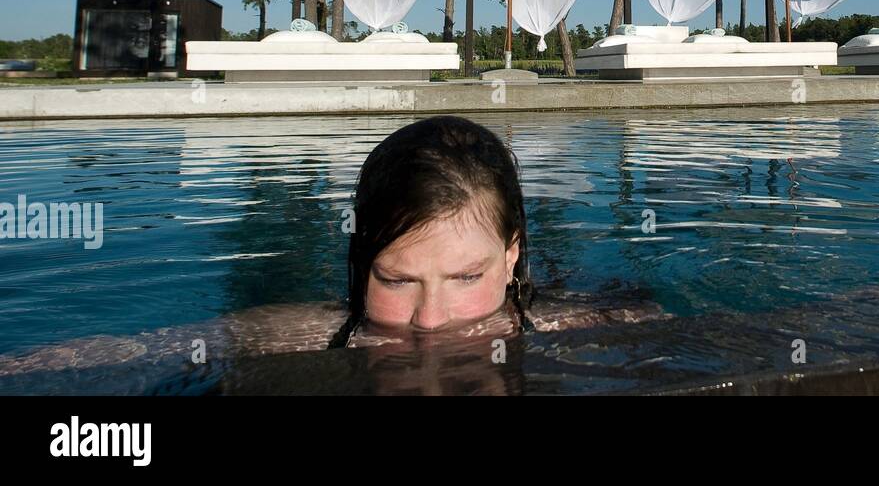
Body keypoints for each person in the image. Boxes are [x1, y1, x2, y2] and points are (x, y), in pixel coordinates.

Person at [0, 116, 662, 382]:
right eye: (396, 279)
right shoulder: (312, 333)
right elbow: (137, 350)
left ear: (514, 253)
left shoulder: (593, 321)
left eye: (466, 274)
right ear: (359, 261)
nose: (431, 319)